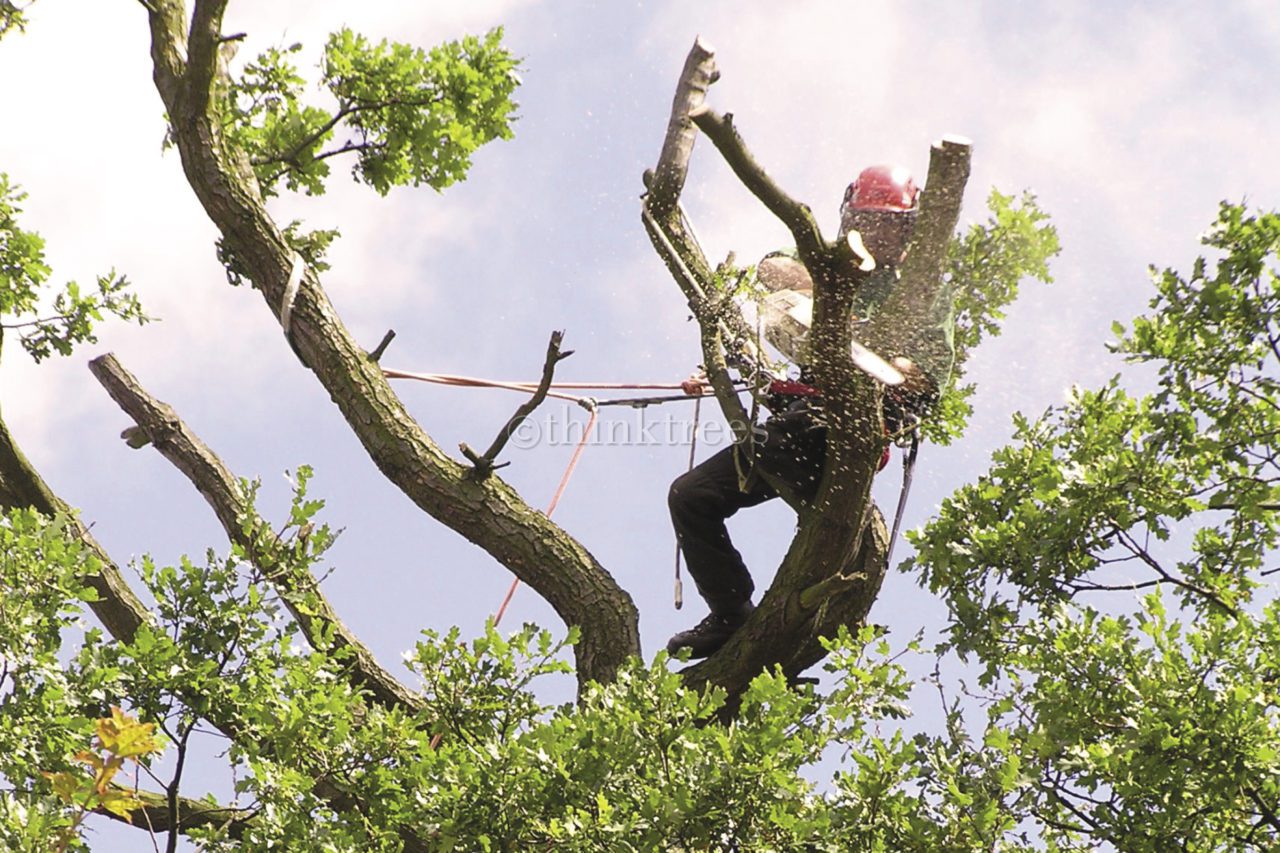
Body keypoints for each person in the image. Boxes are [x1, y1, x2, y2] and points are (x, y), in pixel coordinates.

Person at [666, 164, 955, 658]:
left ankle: (824, 557)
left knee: (782, 440)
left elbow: (929, 372)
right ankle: (730, 611)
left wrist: (877, 355)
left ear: (909, 227)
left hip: (850, 426)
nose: (878, 232)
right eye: (869, 221)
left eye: (889, 223)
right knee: (691, 496)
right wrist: (826, 296)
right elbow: (770, 267)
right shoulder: (833, 260)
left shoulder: (922, 290)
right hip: (799, 421)